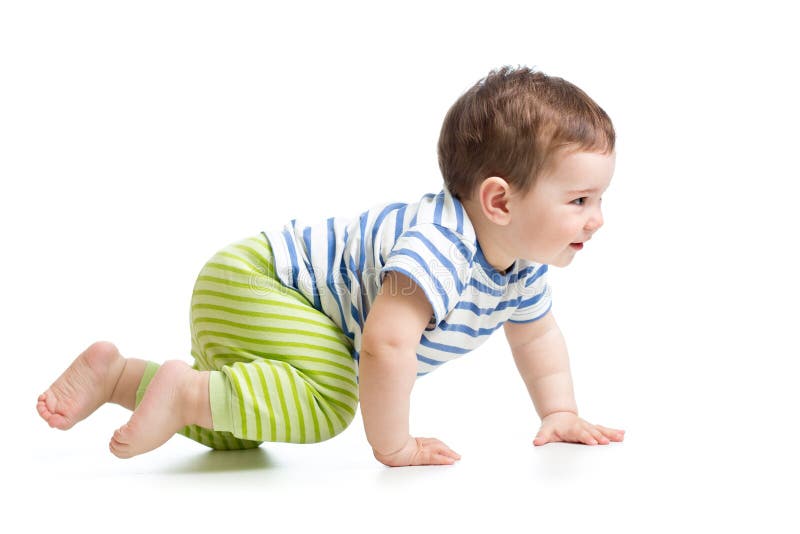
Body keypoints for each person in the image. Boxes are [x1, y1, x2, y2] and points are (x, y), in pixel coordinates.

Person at [37, 65, 625, 467]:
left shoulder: (520, 268)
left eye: (598, 200)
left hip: (249, 294)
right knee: (328, 400)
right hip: (255, 282)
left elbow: (537, 336)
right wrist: (393, 446)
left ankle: (117, 377)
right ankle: (182, 391)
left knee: (242, 424)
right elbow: (384, 347)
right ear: (499, 201)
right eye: (579, 201)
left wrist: (561, 412)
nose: (596, 219)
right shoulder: (442, 244)